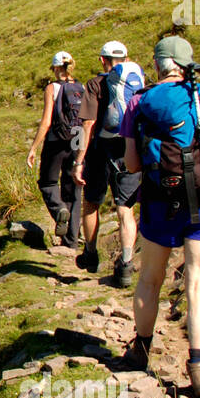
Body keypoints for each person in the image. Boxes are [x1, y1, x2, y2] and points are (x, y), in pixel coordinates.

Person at [119, 35, 200, 396]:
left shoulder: (139, 102)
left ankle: (140, 350)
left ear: (157, 64)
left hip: (160, 203)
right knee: (198, 284)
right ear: (188, 62)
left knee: (150, 280)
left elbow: (131, 163)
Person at [72, 41, 145, 284]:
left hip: (99, 151)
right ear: (126, 59)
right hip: (129, 149)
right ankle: (126, 264)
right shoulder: (136, 82)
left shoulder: (94, 84)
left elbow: (88, 124)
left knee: (91, 202)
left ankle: (90, 254)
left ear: (102, 60)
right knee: (125, 209)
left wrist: (78, 160)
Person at [26, 51, 83, 247]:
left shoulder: (52, 88)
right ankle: (72, 241)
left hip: (56, 140)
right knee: (73, 189)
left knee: (48, 183)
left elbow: (46, 121)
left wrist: (34, 147)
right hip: (78, 139)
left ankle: (59, 210)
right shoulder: (81, 87)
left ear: (56, 68)